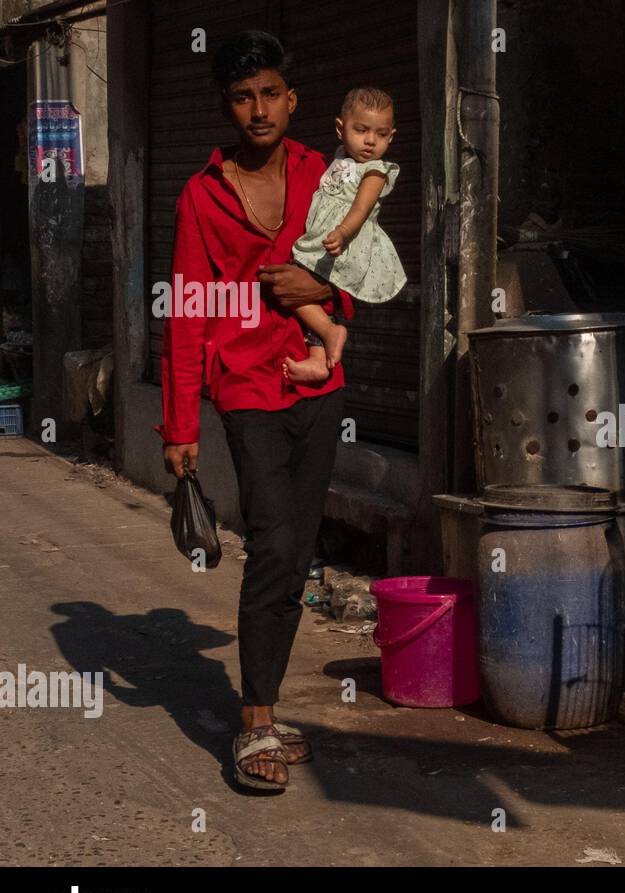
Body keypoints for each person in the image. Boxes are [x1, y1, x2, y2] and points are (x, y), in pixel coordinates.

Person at [158, 30, 351, 790]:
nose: (258, 109)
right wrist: (179, 427)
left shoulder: (324, 175)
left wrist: (323, 299)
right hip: (245, 389)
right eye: (243, 97)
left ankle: (265, 698)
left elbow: (361, 268)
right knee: (271, 537)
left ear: (292, 99)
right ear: (228, 107)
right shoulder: (202, 195)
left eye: (270, 93)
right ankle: (255, 721)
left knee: (296, 551)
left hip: (319, 383)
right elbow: (186, 318)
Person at [282, 86, 406, 384]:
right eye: (361, 130)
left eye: (380, 133)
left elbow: (361, 209)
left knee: (289, 287)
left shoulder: (376, 171)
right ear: (341, 129)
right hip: (324, 242)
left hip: (345, 244)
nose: (370, 140)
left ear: (391, 136)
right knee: (303, 291)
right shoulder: (340, 158)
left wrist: (342, 232)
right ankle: (318, 356)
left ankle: (328, 332)